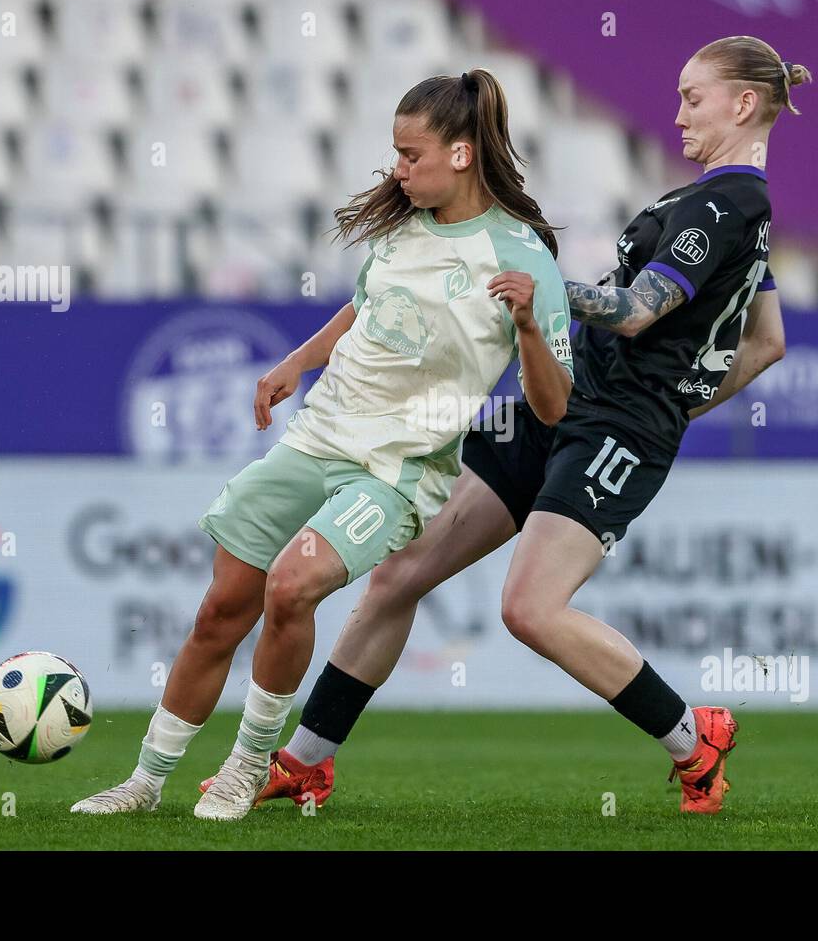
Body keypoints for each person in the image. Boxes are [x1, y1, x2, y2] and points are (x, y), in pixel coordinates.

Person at [221, 36, 809, 816]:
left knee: (529, 607)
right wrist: (684, 400)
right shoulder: (709, 206)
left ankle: (693, 738)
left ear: (742, 105)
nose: (677, 114)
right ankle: (303, 761)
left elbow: (638, 312)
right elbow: (767, 342)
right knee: (399, 572)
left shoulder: (727, 205)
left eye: (692, 98)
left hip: (616, 426)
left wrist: (612, 362)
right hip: (565, 399)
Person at [71, 68, 575, 819]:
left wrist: (530, 327)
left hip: (397, 471)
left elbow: (554, 403)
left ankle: (248, 766)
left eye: (411, 155)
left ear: (463, 155)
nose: (397, 172)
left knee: (291, 586)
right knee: (220, 609)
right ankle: (144, 782)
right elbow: (363, 308)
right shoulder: (404, 231)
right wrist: (294, 363)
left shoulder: (522, 255)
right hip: (317, 439)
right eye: (395, 155)